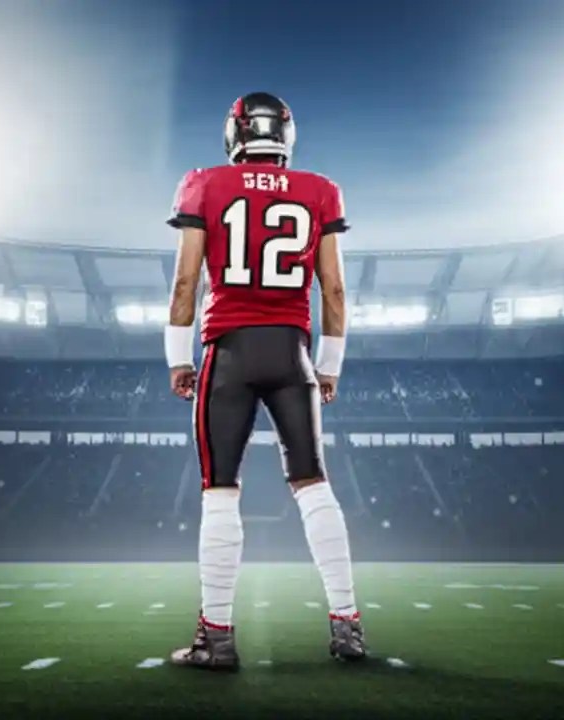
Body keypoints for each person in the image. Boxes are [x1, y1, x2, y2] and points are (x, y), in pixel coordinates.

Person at [162, 92, 364, 671]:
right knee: (314, 485)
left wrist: (178, 359)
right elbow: (334, 290)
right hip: (292, 354)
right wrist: (329, 365)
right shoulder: (320, 190)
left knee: (221, 491)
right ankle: (348, 625)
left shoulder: (203, 183)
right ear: (286, 135)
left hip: (229, 352)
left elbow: (186, 282)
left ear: (236, 134)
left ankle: (217, 639)